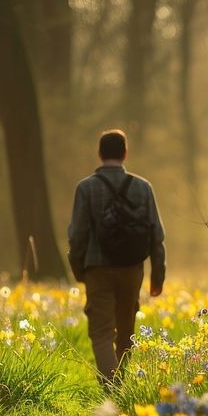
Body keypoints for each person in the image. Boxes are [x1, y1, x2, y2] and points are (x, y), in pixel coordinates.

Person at [67, 129, 166, 387]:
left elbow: (77, 235)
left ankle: (112, 388)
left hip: (97, 268)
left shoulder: (86, 188)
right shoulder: (143, 187)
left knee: (101, 332)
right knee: (126, 330)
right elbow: (157, 234)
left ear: (99, 153)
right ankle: (119, 384)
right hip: (132, 268)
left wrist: (80, 270)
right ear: (125, 153)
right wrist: (158, 276)